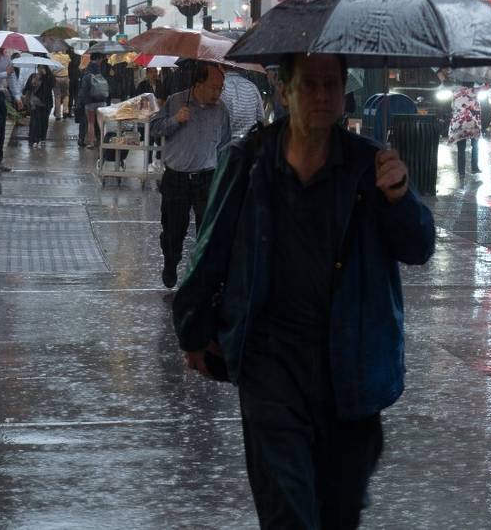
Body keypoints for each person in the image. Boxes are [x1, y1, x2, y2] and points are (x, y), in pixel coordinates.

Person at [172, 53, 435, 527]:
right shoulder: (249, 162)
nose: (322, 96)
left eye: (331, 85)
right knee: (288, 512)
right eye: (309, 84)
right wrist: (193, 330)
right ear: (285, 90)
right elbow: (211, 248)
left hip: (352, 369)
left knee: (339, 512)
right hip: (271, 365)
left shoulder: (368, 165)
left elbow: (418, 247)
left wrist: (399, 196)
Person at [152, 63, 231, 289]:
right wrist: (176, 120)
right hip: (176, 178)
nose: (218, 93)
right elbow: (155, 128)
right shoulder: (177, 101)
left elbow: (225, 143)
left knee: (208, 231)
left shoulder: (222, 110)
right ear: (198, 84)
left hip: (206, 178)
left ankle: (203, 275)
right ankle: (171, 262)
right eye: (214, 87)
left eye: (221, 88)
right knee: (173, 232)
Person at [447, 82, 483, 180]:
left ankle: (461, 172)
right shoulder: (474, 91)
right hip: (473, 124)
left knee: (461, 149)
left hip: (459, 125)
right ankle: (474, 167)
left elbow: (452, 108)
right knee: (475, 146)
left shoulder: (455, 93)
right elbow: (486, 88)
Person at [76, 55, 111, 149]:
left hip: (90, 102)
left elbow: (83, 90)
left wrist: (81, 101)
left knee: (90, 123)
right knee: (101, 122)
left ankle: (91, 143)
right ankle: (104, 141)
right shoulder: (101, 72)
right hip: (101, 101)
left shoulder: (87, 74)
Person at [219, 69, 267, 139]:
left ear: (220, 66)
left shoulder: (220, 86)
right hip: (247, 141)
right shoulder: (252, 87)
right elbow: (261, 118)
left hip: (224, 141)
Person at [24, 66, 55, 149]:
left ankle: (42, 138)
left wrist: (44, 78)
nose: (40, 70)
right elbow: (27, 89)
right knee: (35, 121)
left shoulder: (50, 77)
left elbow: (49, 88)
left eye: (41, 68)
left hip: (46, 103)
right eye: (38, 68)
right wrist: (33, 83)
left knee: (44, 121)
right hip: (35, 103)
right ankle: (34, 139)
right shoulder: (33, 76)